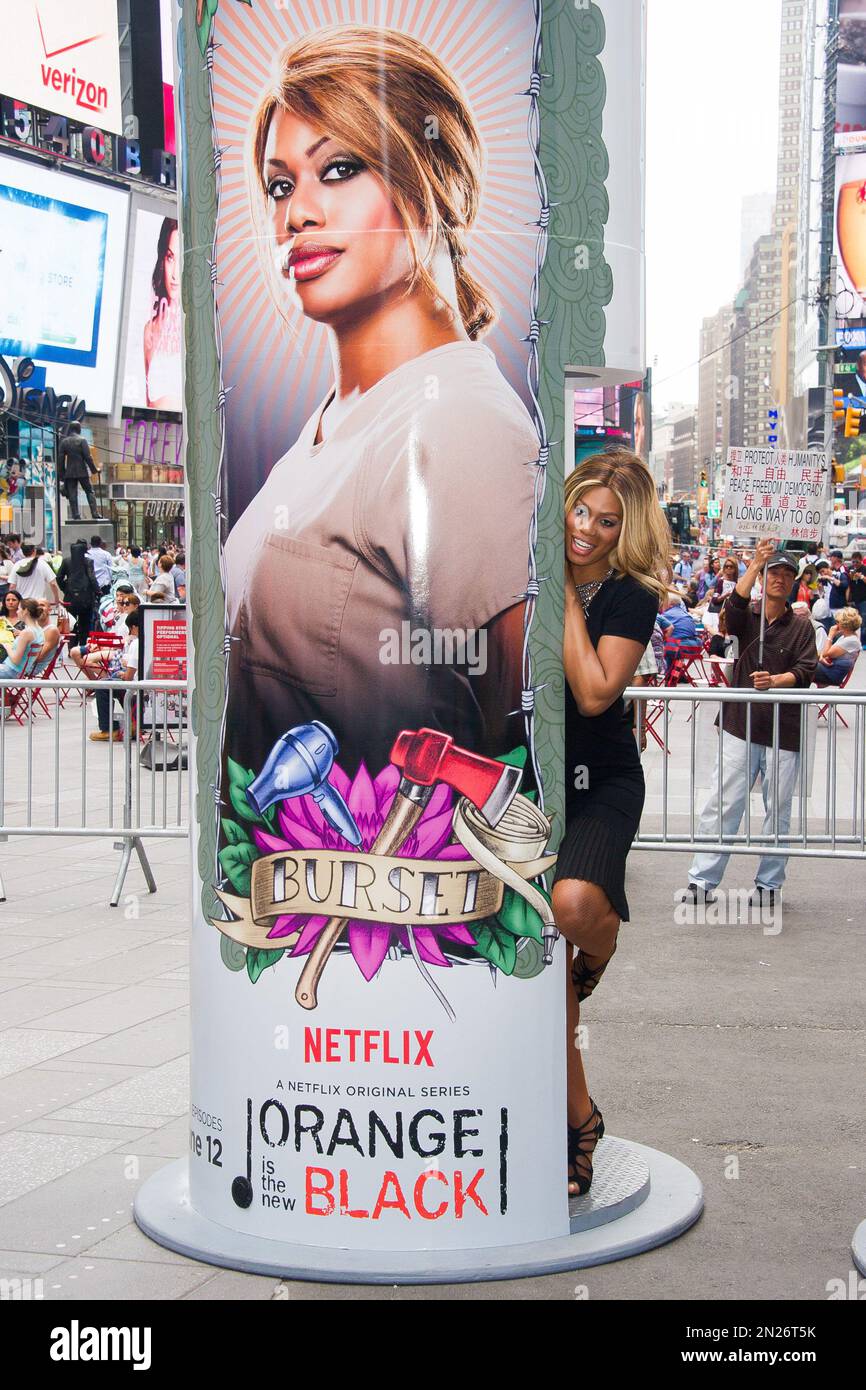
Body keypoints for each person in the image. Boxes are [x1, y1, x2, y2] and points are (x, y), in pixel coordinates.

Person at [222, 24, 538, 778]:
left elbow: (533, 743)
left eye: (338, 168)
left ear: (430, 184)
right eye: (279, 184)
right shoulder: (331, 428)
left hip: (400, 886)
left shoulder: (457, 426)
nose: (296, 212)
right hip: (287, 883)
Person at [553, 451, 670, 1196]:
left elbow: (595, 693)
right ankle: (580, 1121)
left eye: (607, 520)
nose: (588, 530)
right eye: (580, 512)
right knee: (546, 981)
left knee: (574, 907)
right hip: (531, 778)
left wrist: (562, 591)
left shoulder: (632, 596)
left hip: (602, 783)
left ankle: (601, 939)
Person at [685, 544, 818, 909]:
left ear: (794, 583)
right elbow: (733, 610)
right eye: (774, 572)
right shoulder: (749, 613)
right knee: (725, 802)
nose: (780, 578)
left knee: (779, 808)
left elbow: (808, 671)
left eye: (787, 574)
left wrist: (776, 681)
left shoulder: (803, 626)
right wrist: (756, 562)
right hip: (739, 723)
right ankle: (702, 879)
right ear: (763, 577)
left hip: (783, 730)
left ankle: (769, 884)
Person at [144, 218, 182, 411]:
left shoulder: (209, 329)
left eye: (182, 259)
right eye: (170, 258)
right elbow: (146, 402)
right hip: (151, 434)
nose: (175, 273)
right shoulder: (150, 330)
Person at [56, 540, 101, 648]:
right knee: (84, 623)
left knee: (71, 623)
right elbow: (92, 578)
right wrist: (98, 590)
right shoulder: (88, 562)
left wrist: (65, 588)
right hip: (86, 598)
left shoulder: (66, 561)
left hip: (70, 598)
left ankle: (71, 646)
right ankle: (82, 645)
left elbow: (59, 577)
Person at [58, 423, 102, 521]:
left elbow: (60, 460)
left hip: (69, 472)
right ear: (78, 429)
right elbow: (88, 457)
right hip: (82, 471)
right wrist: (94, 470)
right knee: (89, 491)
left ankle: (76, 515)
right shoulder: (82, 440)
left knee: (72, 494)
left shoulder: (64, 442)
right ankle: (94, 513)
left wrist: (62, 474)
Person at [814, 607, 862, 686]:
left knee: (803, 666)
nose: (835, 624)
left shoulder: (851, 641)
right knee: (803, 663)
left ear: (844, 624)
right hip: (829, 669)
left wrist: (830, 635)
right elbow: (825, 653)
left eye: (837, 622)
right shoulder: (845, 638)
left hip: (832, 673)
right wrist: (822, 656)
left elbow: (826, 653)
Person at [0, 597, 44, 680]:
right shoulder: (39, 629)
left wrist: (7, 647)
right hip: (19, 670)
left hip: (11, 671)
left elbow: (16, 660)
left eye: (19, 609)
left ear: (25, 611)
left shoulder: (27, 632)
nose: (17, 612)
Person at [846, 553, 866, 646]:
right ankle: (852, 641)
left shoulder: (864, 569)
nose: (855, 564)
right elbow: (848, 584)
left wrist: (861, 576)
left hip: (863, 598)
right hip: (853, 598)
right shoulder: (850, 569)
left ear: (861, 560)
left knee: (864, 622)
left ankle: (863, 642)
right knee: (851, 621)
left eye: (857, 562)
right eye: (853, 561)